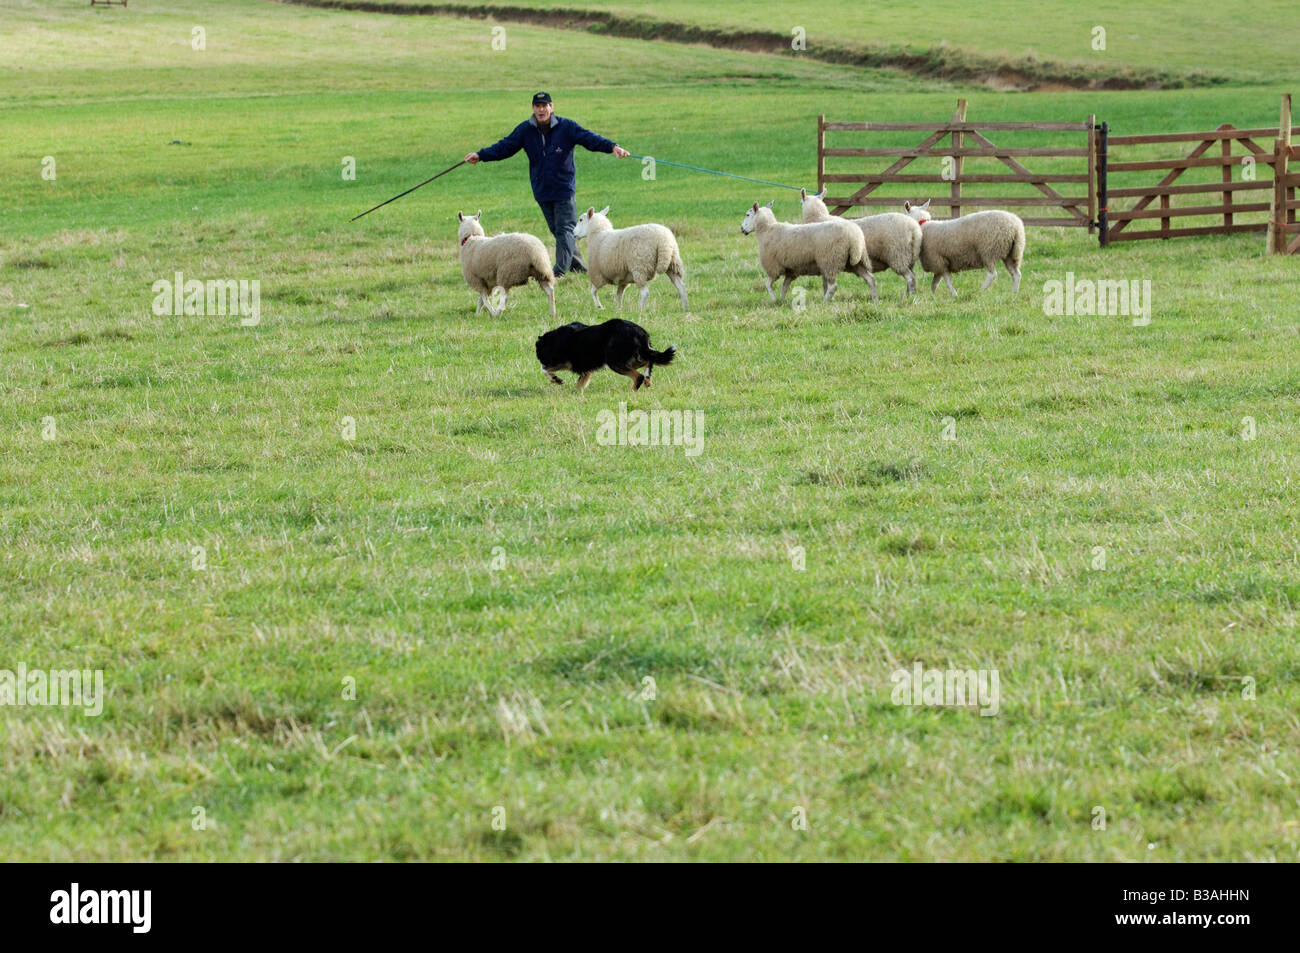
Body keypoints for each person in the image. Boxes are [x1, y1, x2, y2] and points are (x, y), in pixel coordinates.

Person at [465, 92, 630, 278]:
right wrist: (481, 155)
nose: (541, 109)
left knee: (565, 229)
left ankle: (560, 270)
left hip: (563, 188)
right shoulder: (525, 130)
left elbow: (589, 138)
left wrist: (612, 147)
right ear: (533, 108)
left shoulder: (567, 127)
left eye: (545, 105)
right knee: (558, 231)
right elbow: (505, 147)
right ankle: (577, 266)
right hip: (542, 190)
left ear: (552, 107)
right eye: (537, 106)